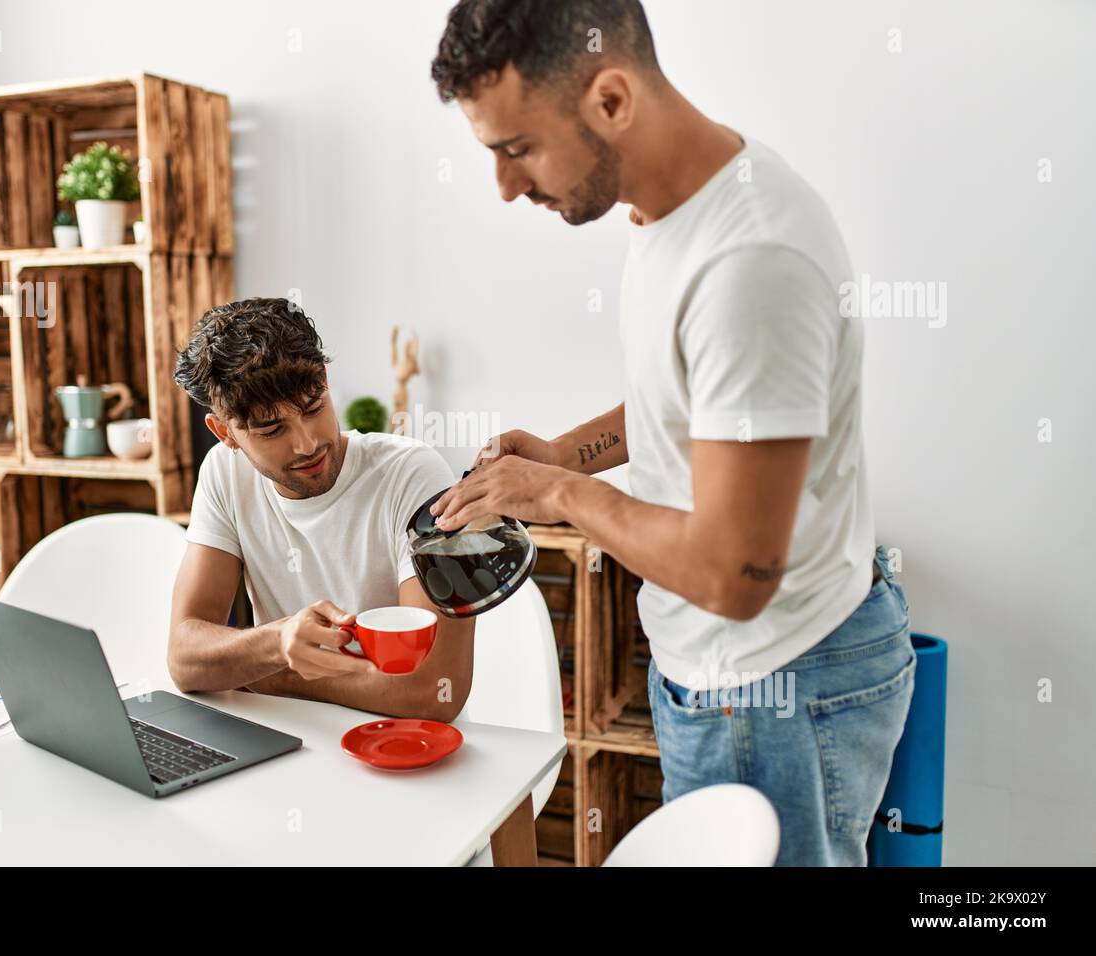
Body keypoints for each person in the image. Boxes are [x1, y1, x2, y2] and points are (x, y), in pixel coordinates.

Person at [427, 0, 914, 865]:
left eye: (516, 149)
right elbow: (689, 405)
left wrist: (562, 492)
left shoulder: (750, 262)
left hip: (774, 678)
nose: (505, 186)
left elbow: (735, 576)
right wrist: (563, 452)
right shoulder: (669, 214)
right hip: (725, 672)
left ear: (611, 100)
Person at [168, 297, 474, 721]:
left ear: (326, 381)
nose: (307, 444)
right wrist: (279, 643)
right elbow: (185, 657)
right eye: (272, 429)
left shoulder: (412, 475)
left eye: (314, 410)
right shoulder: (224, 473)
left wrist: (259, 670)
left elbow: (434, 690)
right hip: (296, 741)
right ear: (225, 433)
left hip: (407, 745)